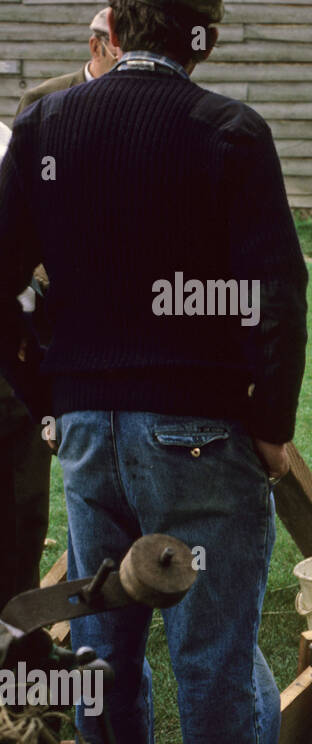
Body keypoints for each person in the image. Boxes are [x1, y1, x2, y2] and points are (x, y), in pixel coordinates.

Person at [0, 0, 312, 744]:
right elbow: (278, 296)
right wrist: (271, 425)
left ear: (120, 25)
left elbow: (4, 286)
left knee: (104, 647)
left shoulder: (46, 127)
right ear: (201, 32)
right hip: (199, 436)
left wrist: (50, 392)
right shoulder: (228, 131)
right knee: (210, 652)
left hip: (89, 440)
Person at [2, 9, 120, 612]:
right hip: (48, 302)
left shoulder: (144, 102)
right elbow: (25, 217)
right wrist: (45, 284)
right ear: (97, 45)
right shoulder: (43, 104)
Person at [16, 8, 120, 115]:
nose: (127, 68)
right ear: (96, 48)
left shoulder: (134, 98)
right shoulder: (41, 99)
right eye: (118, 58)